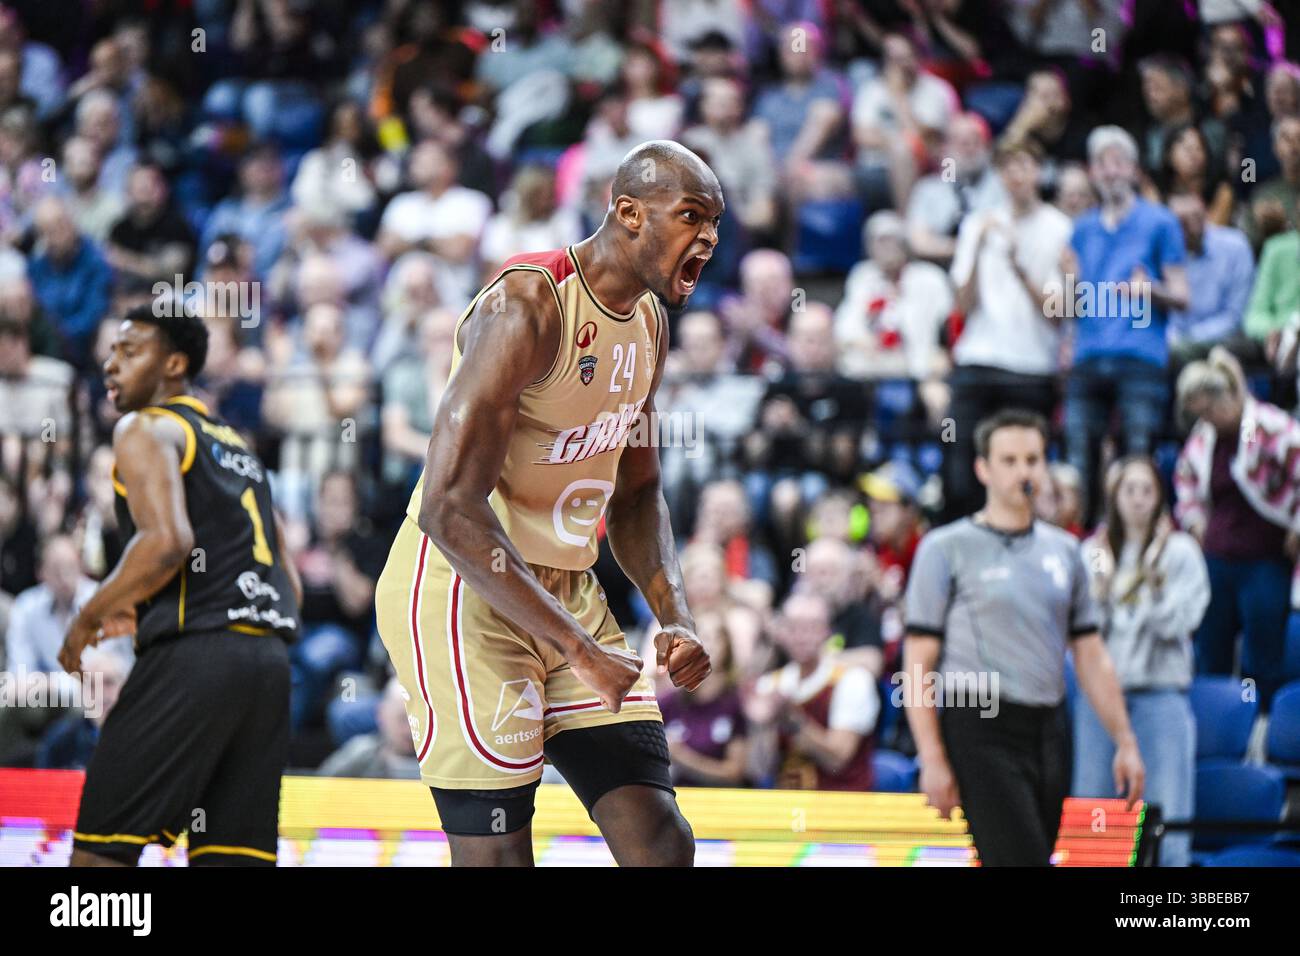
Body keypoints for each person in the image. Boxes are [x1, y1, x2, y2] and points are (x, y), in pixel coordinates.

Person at [373, 141, 715, 867]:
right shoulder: (527, 303)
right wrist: (577, 647)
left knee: (660, 839)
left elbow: (639, 489)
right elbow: (447, 506)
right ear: (628, 214)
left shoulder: (648, 323)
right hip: (462, 589)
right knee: (499, 856)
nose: (708, 238)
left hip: (564, 589)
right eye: (690, 217)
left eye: (714, 223)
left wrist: (675, 614)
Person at [58, 304, 302, 866]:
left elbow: (166, 542)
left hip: (197, 658)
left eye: (129, 351)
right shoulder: (239, 449)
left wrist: (87, 616)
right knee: (231, 859)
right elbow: (287, 576)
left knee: (99, 856)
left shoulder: (145, 426)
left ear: (173, 364)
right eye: (110, 352)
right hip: (268, 666)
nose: (110, 365)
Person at [902, 409, 1145, 866]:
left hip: (1049, 724)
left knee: (1034, 853)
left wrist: (1125, 740)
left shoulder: (1066, 550)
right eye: (1009, 460)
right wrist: (931, 755)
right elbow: (918, 658)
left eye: (1033, 459)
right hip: (977, 720)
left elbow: (1090, 652)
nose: (1023, 471)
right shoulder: (946, 548)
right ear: (983, 469)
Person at [1076, 456, 1209, 867]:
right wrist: (1099, 593)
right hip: (1102, 697)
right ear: (1114, 497)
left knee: (1167, 813)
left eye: (1146, 490)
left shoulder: (1180, 552)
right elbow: (1081, 630)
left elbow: (1183, 622)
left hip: (1161, 694)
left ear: (1159, 496)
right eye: (1128, 490)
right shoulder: (1095, 553)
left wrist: (1151, 588)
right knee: (1092, 816)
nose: (1137, 499)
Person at [1064, 126, 1188, 520]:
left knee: (1138, 457)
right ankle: (1082, 543)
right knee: (1078, 458)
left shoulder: (1161, 222)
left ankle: (1141, 541)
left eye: (1119, 161)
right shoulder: (1080, 229)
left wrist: (1149, 288)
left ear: (1134, 170)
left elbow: (1182, 295)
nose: (1111, 170)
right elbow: (1073, 299)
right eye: (1102, 162)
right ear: (1092, 172)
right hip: (1087, 355)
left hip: (1140, 357)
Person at [1174, 348, 1299, 713]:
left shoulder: (1269, 426)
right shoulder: (1203, 438)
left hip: (1264, 560)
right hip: (1217, 559)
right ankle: (1217, 721)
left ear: (1227, 396)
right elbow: (1186, 486)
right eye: (1200, 413)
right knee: (1212, 648)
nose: (1207, 418)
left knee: (1259, 656)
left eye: (1211, 409)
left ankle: (1255, 718)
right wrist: (1196, 523)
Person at [747, 591, 878, 791]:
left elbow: (837, 759)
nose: (801, 637)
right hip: (785, 809)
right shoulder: (770, 684)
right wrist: (762, 726)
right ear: (781, 632)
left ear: (828, 632)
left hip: (843, 805)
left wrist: (792, 718)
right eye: (793, 628)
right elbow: (759, 769)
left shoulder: (852, 680)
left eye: (811, 628)